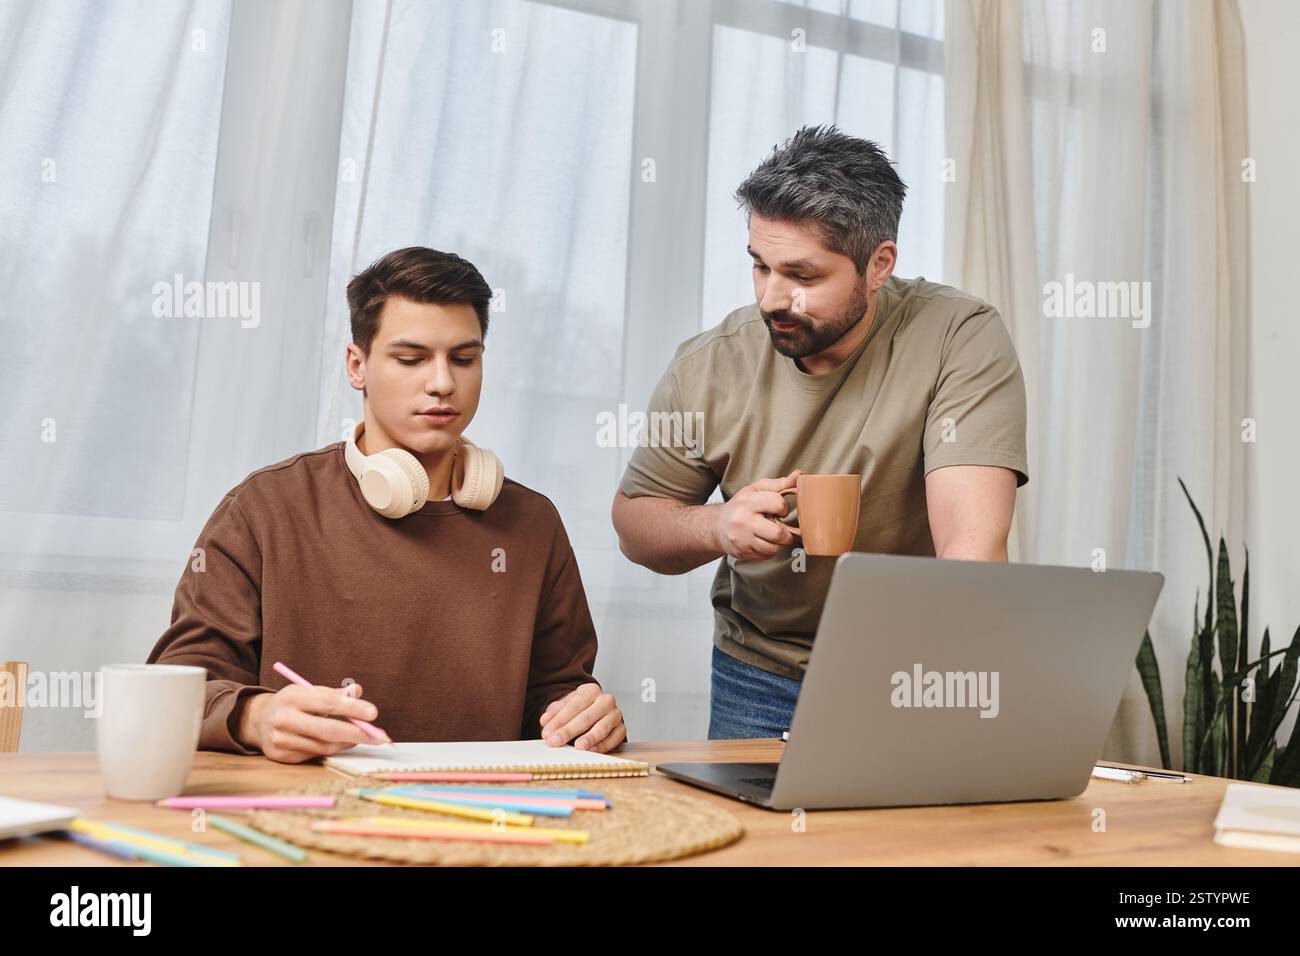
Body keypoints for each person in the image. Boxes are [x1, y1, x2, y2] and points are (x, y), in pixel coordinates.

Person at [611, 125, 1029, 739]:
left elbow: (970, 547)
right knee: (758, 838)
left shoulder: (958, 338)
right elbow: (635, 524)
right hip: (760, 675)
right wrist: (716, 527)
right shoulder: (709, 365)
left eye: (802, 276)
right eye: (760, 267)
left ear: (879, 264)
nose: (772, 299)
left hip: (914, 670)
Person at [150, 246, 625, 762]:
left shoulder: (533, 524)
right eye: (411, 359)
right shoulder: (263, 509)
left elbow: (557, 694)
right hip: (312, 813)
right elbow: (176, 688)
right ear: (357, 366)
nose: (442, 382)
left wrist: (586, 720)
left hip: (488, 819)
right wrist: (255, 716)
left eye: (463, 359)